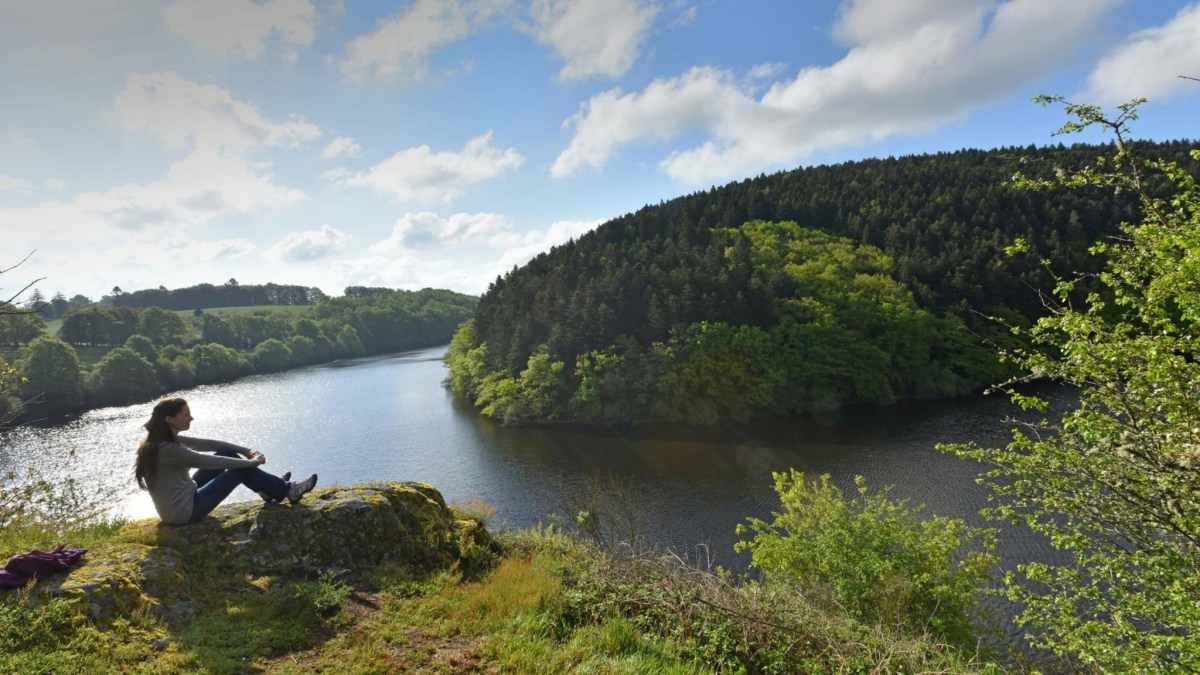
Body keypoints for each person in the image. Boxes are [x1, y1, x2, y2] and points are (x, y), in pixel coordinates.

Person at [135, 397, 317, 525]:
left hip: (185, 498)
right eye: (186, 415)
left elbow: (206, 444)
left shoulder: (162, 439)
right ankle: (288, 490)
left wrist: (245, 451)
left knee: (226, 452)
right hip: (185, 512)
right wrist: (254, 463)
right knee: (237, 470)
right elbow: (208, 462)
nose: (191, 417)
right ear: (169, 419)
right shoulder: (167, 449)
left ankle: (267, 490)